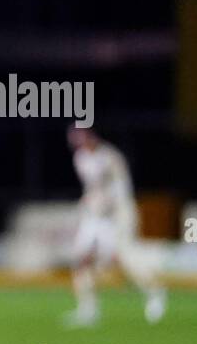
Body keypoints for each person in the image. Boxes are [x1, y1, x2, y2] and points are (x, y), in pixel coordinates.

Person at [64, 126, 166, 326]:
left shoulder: (110, 157)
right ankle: (88, 310)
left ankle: (154, 291)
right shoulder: (81, 159)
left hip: (117, 214)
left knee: (125, 258)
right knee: (80, 259)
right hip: (95, 216)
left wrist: (106, 204)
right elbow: (91, 188)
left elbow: (122, 190)